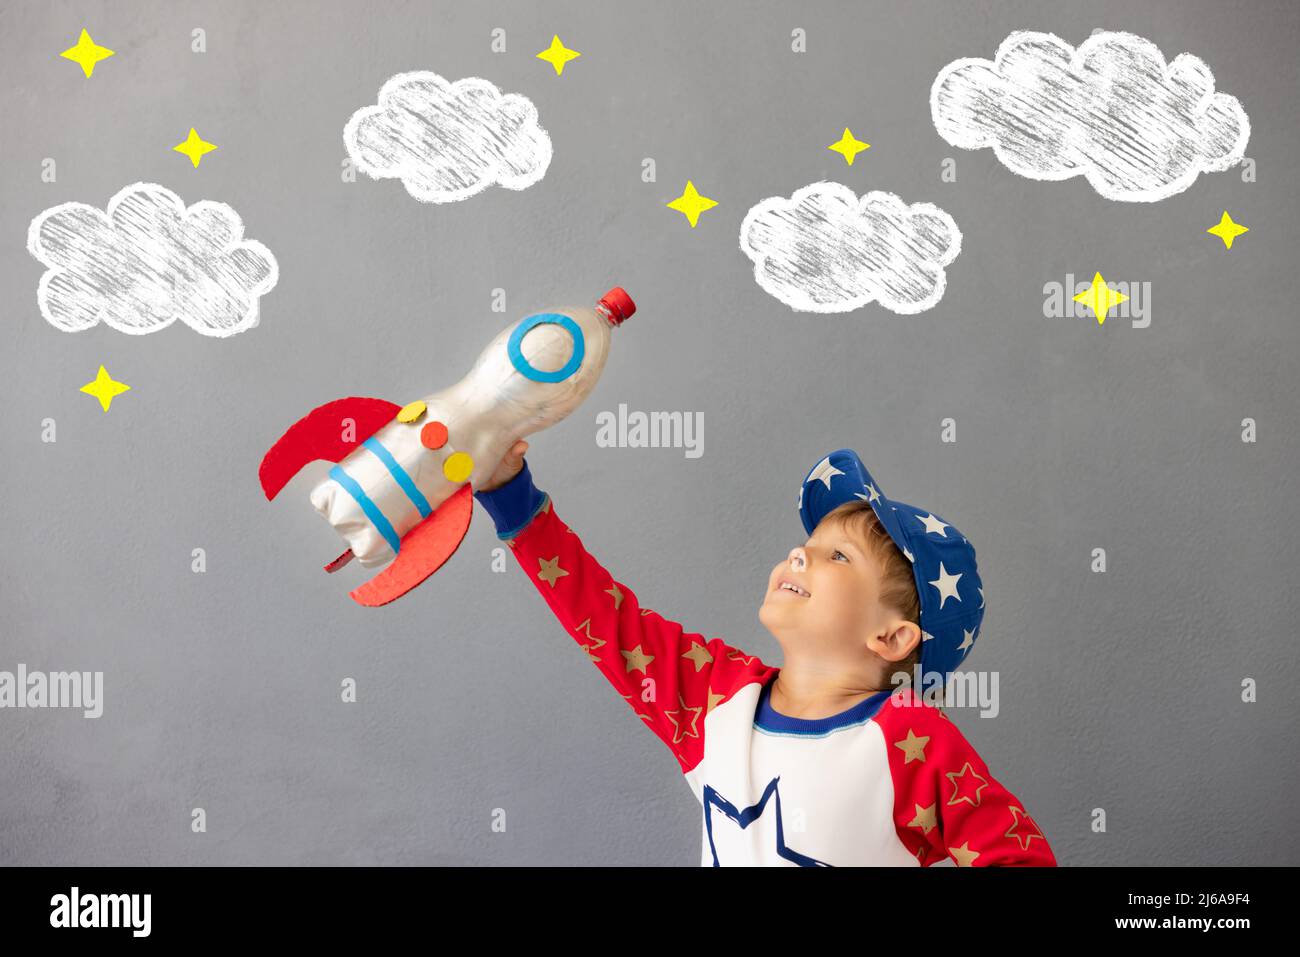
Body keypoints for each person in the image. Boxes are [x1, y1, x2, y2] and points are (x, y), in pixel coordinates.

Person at [474, 440, 1056, 867]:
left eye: (837, 557)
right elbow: (608, 620)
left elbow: (1019, 859)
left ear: (892, 638)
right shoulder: (715, 697)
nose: (799, 557)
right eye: (805, 546)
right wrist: (510, 494)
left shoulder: (913, 741)